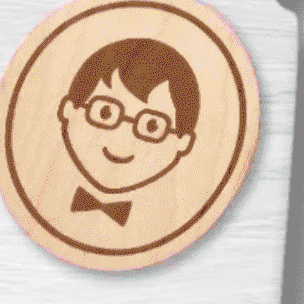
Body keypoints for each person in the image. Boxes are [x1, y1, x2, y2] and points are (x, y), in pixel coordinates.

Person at [58, 38, 199, 225]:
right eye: (105, 112)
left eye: (152, 126)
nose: (122, 139)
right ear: (69, 109)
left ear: (183, 141)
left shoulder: (176, 212)